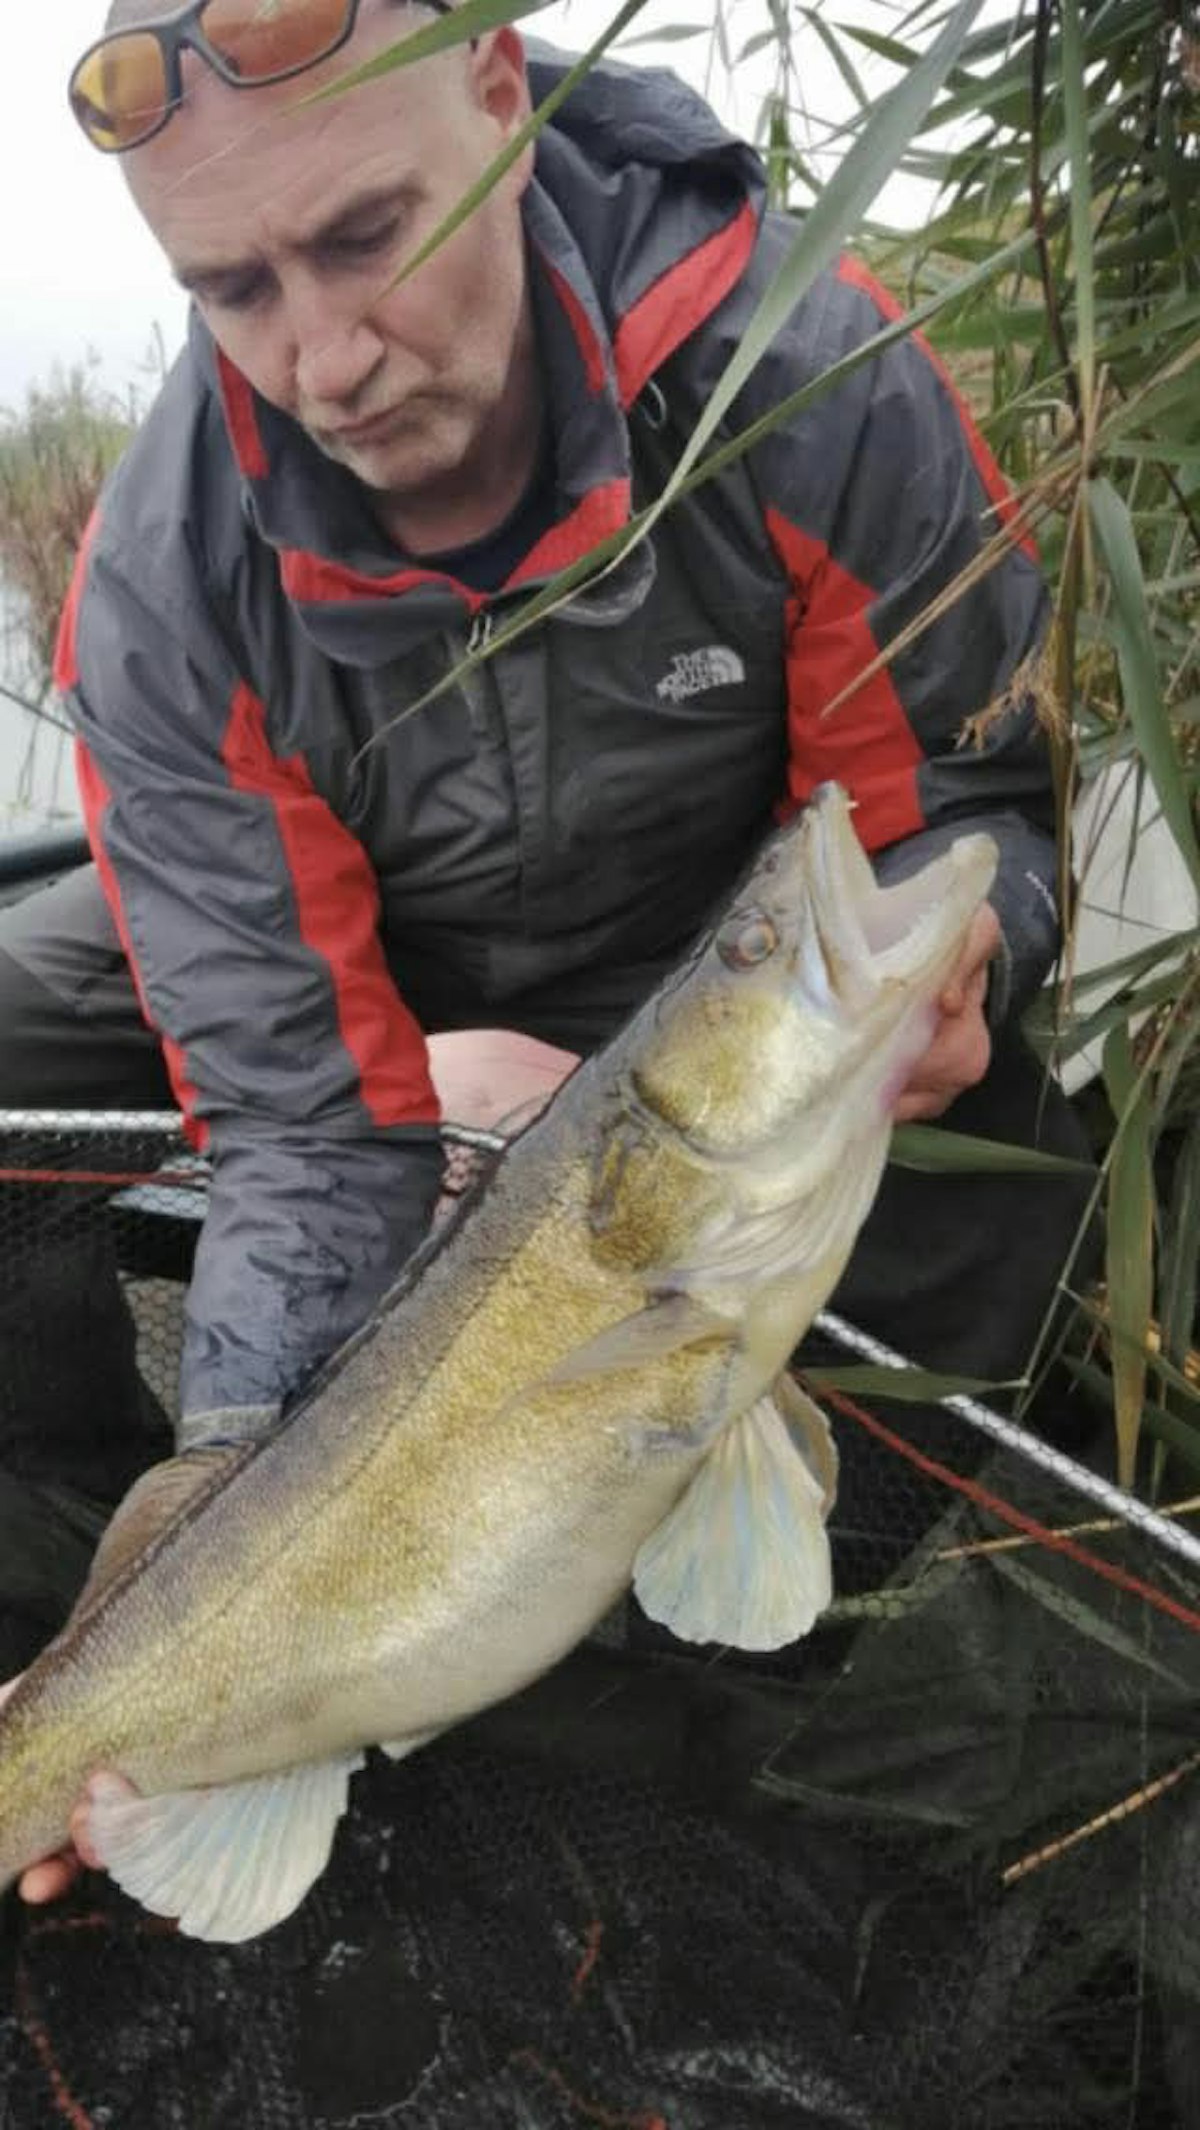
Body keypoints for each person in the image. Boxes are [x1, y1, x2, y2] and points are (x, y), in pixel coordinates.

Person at [0, 0, 1092, 1902]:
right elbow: (297, 1113)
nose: (323, 355)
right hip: (391, 999)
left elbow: (952, 809)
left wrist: (977, 941)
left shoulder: (805, 366)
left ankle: (793, 1745)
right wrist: (250, 1477)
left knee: (1020, 1177)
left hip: (708, 956)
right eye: (231, 287)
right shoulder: (166, 585)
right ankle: (131, 1649)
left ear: (501, 95)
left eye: (365, 235)